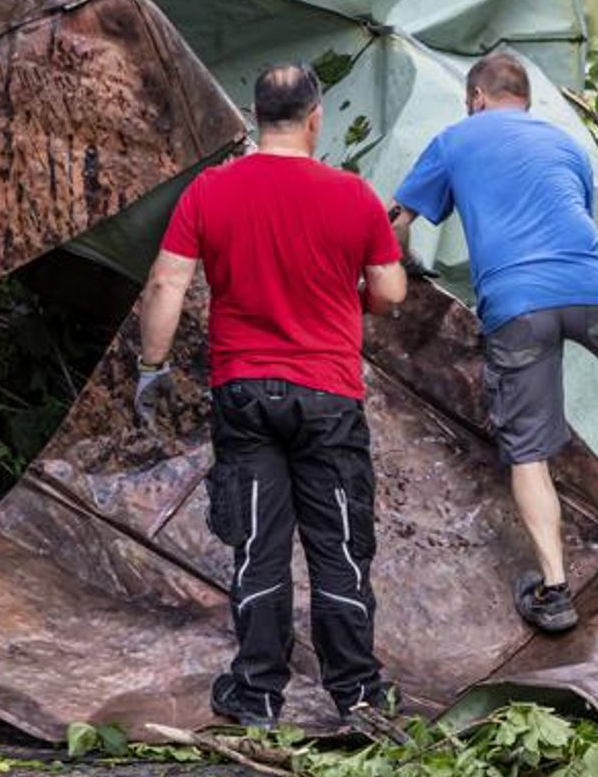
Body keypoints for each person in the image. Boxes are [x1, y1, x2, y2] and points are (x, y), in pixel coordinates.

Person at [134, 64, 408, 731]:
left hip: (245, 393)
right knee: (339, 544)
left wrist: (152, 366)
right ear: (316, 118)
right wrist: (355, 293)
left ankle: (256, 696)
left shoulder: (211, 190)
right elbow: (392, 293)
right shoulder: (354, 195)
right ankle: (359, 696)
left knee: (258, 542)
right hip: (328, 395)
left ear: (258, 117)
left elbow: (168, 284)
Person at [390, 51, 598, 635]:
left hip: (515, 307)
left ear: (475, 97)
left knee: (528, 451)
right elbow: (573, 218)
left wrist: (407, 266)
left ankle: (554, 590)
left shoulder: (456, 139)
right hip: (591, 288)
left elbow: (395, 222)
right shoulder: (565, 144)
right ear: (526, 99)